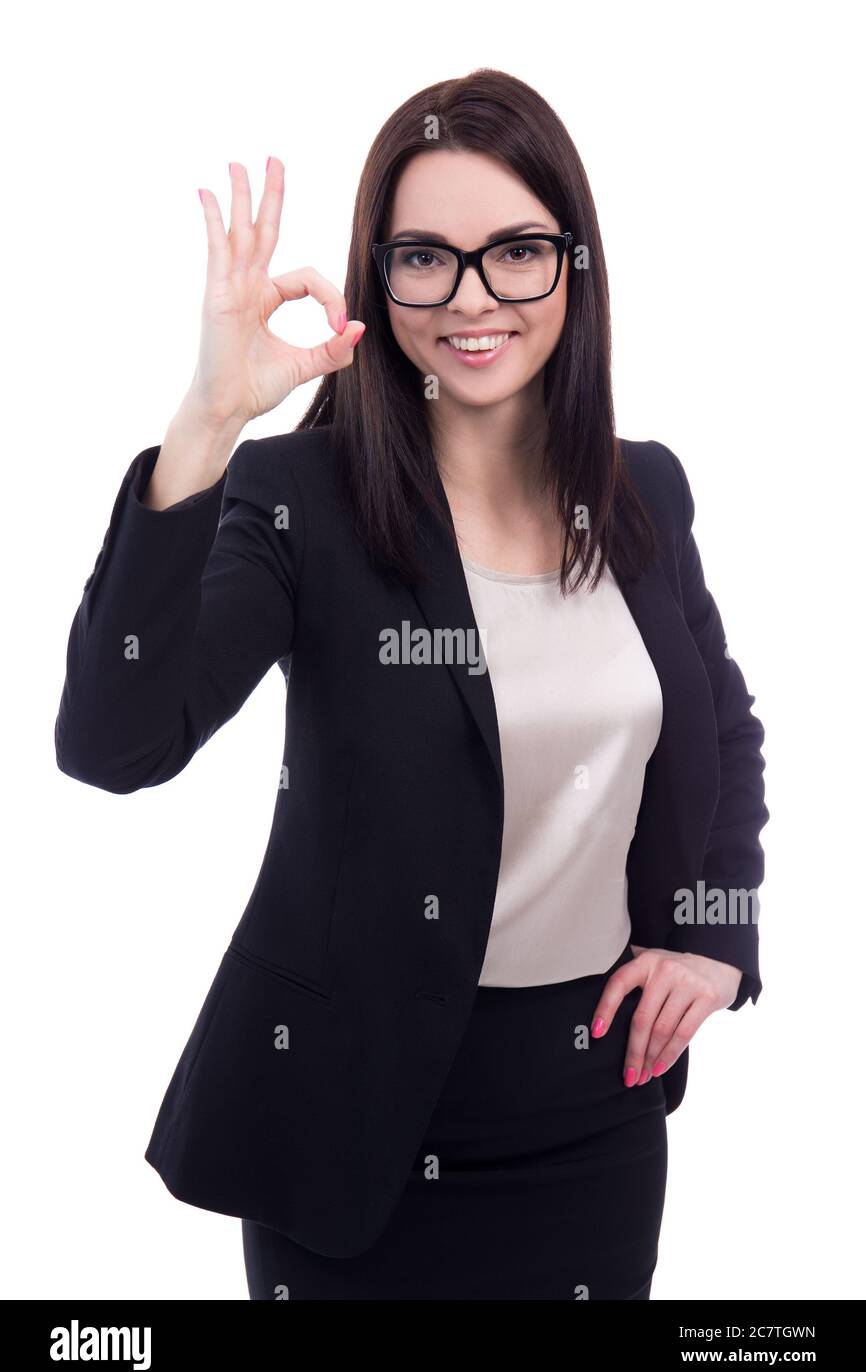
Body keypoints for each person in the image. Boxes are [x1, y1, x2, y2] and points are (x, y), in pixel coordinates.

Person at [55, 68, 768, 1300]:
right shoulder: (302, 501)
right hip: (351, 1123)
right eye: (425, 258)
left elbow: (719, 723)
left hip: (590, 1116)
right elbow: (118, 741)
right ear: (378, 278)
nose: (472, 297)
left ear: (572, 267)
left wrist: (714, 933)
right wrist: (205, 430)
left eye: (516, 253)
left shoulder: (642, 491)